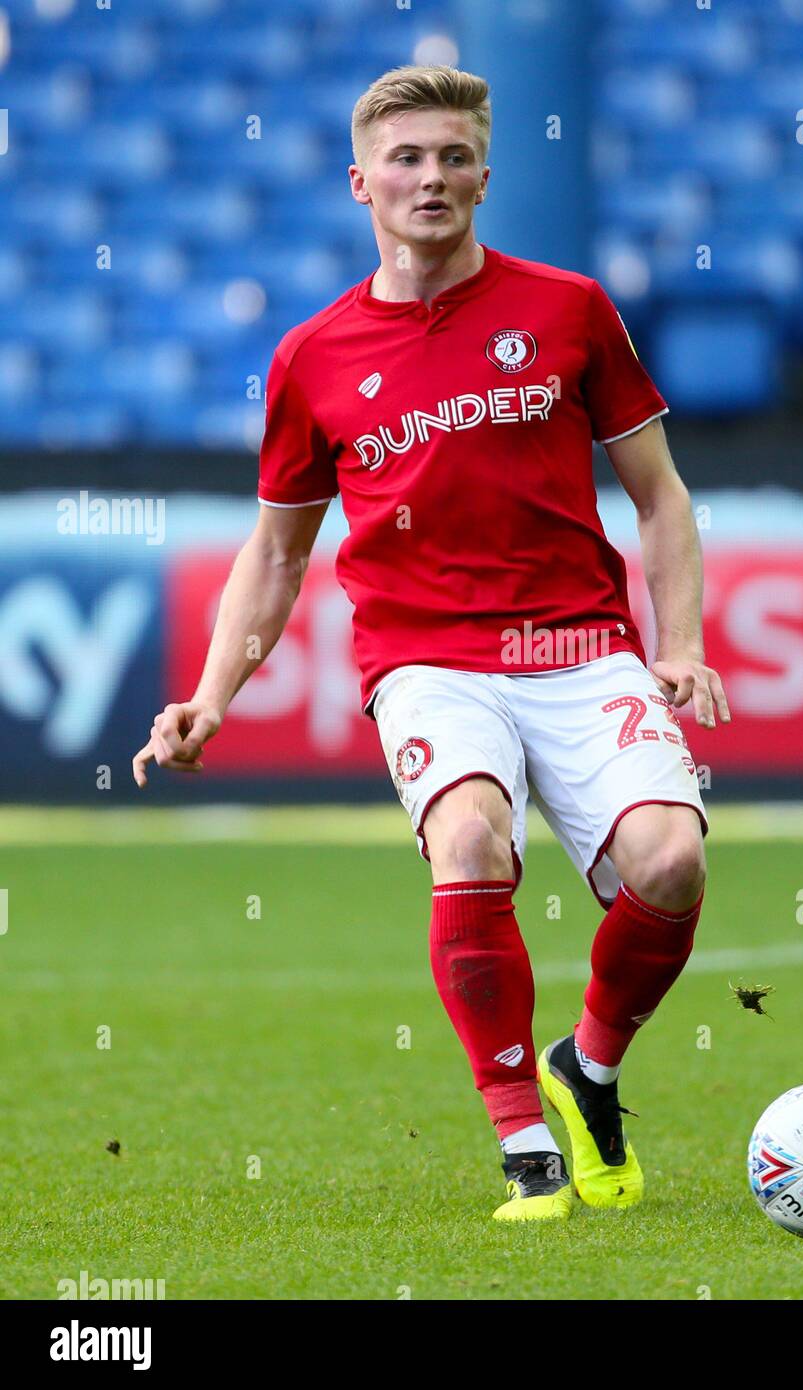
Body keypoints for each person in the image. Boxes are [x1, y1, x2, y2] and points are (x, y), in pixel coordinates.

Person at [133, 64, 730, 1221]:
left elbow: (659, 497)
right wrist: (210, 695)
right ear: (360, 182)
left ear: (485, 177)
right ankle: (524, 1145)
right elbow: (275, 555)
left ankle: (587, 1068)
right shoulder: (313, 356)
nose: (432, 178)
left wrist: (685, 640)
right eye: (406, 158)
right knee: (469, 837)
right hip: (427, 660)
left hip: (580, 644)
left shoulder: (568, 308)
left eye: (454, 157)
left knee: (671, 863)